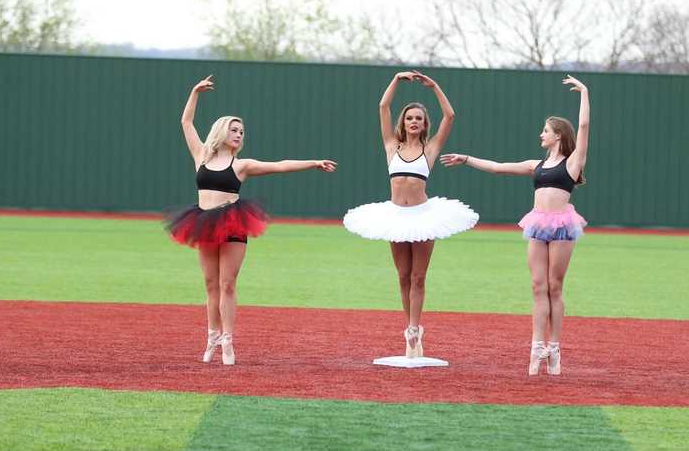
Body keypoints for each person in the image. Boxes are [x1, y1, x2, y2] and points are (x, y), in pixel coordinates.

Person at [167, 75, 337, 365]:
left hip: (232, 222)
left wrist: (313, 163)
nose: (239, 135)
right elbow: (186, 123)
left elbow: (280, 165)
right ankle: (212, 338)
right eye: (234, 130)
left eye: (242, 131)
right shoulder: (201, 157)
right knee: (210, 285)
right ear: (222, 131)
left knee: (228, 284)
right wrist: (195, 92)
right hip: (204, 222)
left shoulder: (242, 165)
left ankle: (229, 342)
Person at [441, 75, 590, 375]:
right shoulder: (535, 165)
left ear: (558, 135)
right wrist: (466, 158)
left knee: (554, 287)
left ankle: (555, 348)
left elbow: (584, 127)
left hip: (562, 225)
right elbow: (498, 168)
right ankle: (537, 346)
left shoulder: (573, 163)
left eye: (545, 131)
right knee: (538, 286)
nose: (541, 134)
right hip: (537, 224)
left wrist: (585, 92)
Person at [343, 71, 478, 359]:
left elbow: (450, 116)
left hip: (423, 216)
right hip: (396, 217)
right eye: (409, 118)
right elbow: (382, 107)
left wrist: (435, 86)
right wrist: (395, 79)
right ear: (403, 123)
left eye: (418, 118)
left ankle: (416, 329)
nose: (414, 121)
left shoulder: (430, 150)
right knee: (403, 276)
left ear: (424, 123)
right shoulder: (392, 146)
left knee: (418, 277)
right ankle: (408, 328)